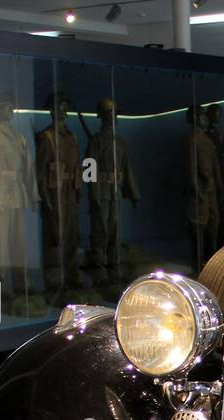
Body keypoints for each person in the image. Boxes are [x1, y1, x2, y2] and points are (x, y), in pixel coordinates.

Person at [81, 98, 140, 288]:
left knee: (115, 232)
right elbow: (89, 171)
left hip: (115, 192)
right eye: (110, 115)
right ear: (103, 118)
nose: (114, 119)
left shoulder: (120, 142)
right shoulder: (96, 141)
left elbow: (127, 168)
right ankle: (100, 272)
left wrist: (133, 194)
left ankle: (115, 270)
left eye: (115, 115)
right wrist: (95, 195)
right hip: (102, 193)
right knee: (100, 233)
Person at [0, 92, 34, 298]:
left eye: (11, 107)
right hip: (1, 199)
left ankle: (21, 283)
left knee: (18, 244)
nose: (10, 111)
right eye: (5, 107)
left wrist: (33, 194)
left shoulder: (19, 138)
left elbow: (28, 168)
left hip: (17, 196)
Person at [36, 93, 83, 305]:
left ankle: (72, 278)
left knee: (72, 237)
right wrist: (45, 197)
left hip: (70, 192)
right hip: (55, 194)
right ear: (52, 110)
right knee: (55, 238)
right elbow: (41, 171)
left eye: (65, 106)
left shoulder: (71, 137)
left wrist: (78, 189)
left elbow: (79, 165)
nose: (63, 111)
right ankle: (54, 283)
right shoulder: (47, 137)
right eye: (60, 107)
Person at [186, 105, 222, 273]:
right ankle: (199, 261)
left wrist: (219, 185)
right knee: (199, 225)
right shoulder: (192, 140)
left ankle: (212, 259)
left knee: (213, 224)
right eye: (201, 115)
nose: (205, 118)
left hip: (211, 188)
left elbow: (215, 166)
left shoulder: (206, 139)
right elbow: (190, 167)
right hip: (201, 188)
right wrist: (195, 188)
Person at [205, 103, 224, 251]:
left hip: (222, 183)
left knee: (222, 219)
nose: (218, 117)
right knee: (211, 220)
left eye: (219, 114)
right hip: (211, 182)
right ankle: (210, 252)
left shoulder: (222, 134)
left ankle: (220, 248)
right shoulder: (205, 136)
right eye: (215, 114)